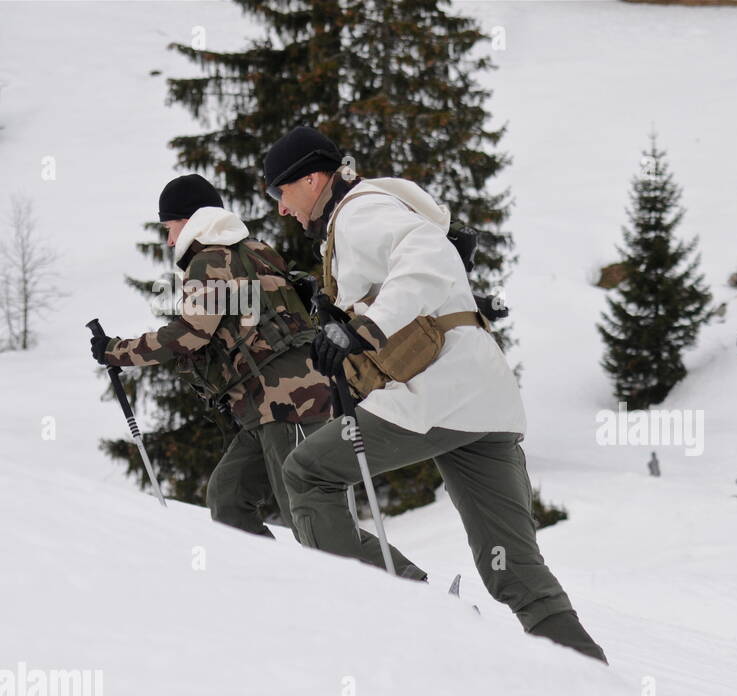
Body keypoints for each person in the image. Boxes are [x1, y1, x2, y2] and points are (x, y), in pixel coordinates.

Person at [265, 127, 607, 664]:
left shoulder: (357, 211)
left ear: (311, 179)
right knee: (512, 566)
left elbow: (426, 254)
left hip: (432, 395)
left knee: (306, 474)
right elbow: (419, 268)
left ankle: (401, 606)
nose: (281, 209)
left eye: (279, 193)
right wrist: (334, 308)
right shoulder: (372, 212)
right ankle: (594, 685)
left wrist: (366, 328)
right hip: (483, 404)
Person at [92, 173, 331, 537]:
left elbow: (190, 334)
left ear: (189, 222)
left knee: (307, 513)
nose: (170, 239)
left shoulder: (210, 261)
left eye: (170, 227)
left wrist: (117, 352)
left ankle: (410, 586)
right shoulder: (255, 250)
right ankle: (274, 587)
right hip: (266, 406)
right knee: (228, 499)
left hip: (288, 402)